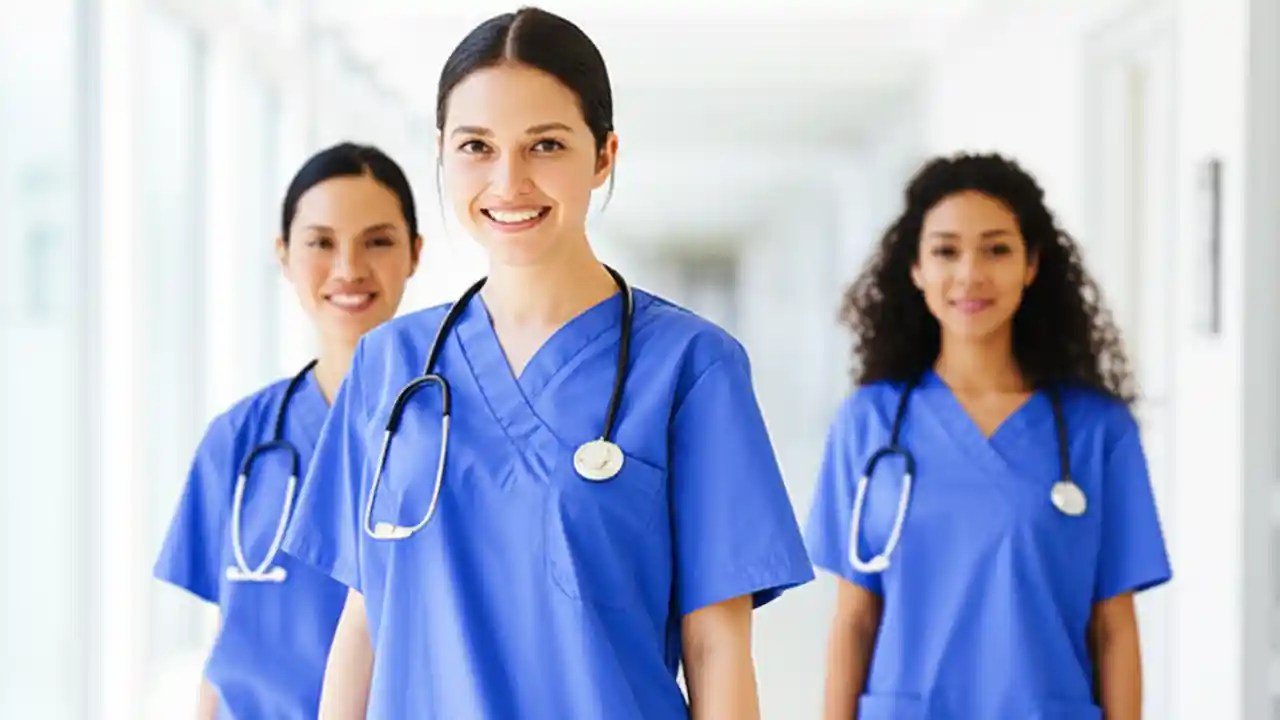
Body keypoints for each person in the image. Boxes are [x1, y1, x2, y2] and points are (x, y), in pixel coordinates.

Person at [279, 7, 813, 719]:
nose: (509, 181)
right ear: (442, 152)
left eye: (546, 145)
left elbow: (716, 647)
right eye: (477, 146)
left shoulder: (690, 367)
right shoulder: (389, 366)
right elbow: (363, 620)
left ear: (603, 156)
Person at [805, 153, 1172, 719]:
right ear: (915, 268)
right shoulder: (871, 423)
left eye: (997, 249)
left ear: (1032, 265)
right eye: (946, 250)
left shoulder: (1097, 431)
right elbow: (855, 618)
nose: (970, 274)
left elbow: (1114, 628)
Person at [153, 142, 422, 719]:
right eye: (321, 242)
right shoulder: (240, 438)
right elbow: (230, 639)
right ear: (283, 255)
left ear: (415, 253)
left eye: (377, 241)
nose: (349, 268)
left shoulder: (452, 435)